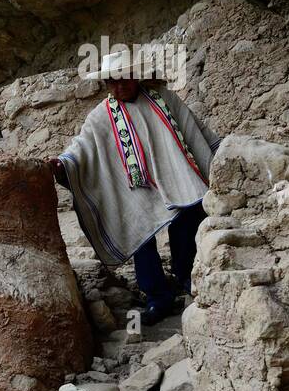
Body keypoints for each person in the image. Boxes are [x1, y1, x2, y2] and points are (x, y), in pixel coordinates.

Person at [50, 50, 221, 326]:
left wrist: (216, 155)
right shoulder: (100, 117)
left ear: (135, 76)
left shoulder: (163, 98)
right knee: (140, 233)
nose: (120, 87)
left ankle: (189, 277)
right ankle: (158, 298)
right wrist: (64, 164)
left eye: (125, 80)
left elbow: (192, 127)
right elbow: (81, 146)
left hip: (174, 174)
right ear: (106, 84)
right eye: (113, 82)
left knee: (190, 215)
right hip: (135, 188)